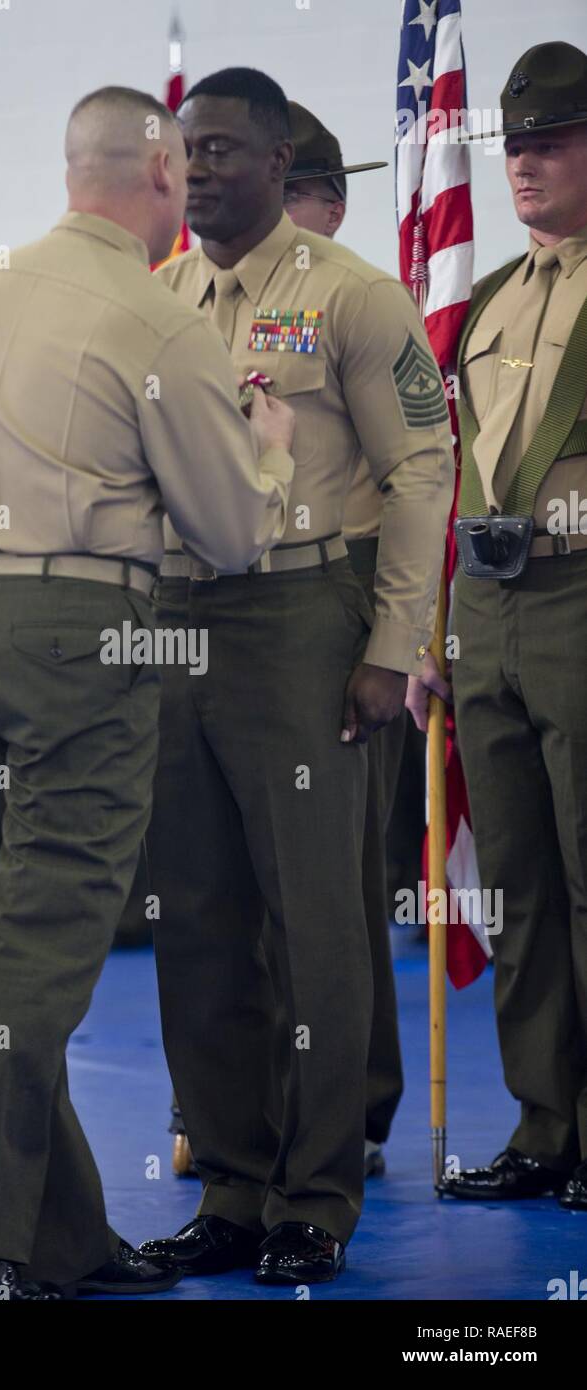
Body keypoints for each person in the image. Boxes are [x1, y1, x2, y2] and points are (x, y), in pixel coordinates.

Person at [0, 85, 296, 1302]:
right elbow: (227, 533)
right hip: (74, 635)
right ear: (162, 177)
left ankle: (58, 1234)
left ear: (73, 171)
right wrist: (265, 447)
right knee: (52, 937)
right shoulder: (154, 318)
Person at [138, 68, 454, 1285]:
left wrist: (391, 649)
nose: (199, 169)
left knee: (315, 922)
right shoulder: (156, 297)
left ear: (280, 165)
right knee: (197, 918)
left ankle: (313, 1198)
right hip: (178, 615)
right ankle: (227, 1182)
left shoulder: (354, 297)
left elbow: (420, 475)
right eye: (185, 152)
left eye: (221, 149)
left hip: (307, 615)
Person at [410, 41, 587, 1212]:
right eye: (513, 147)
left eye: (550, 143)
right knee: (517, 877)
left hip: (579, 593)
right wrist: (428, 634)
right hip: (485, 600)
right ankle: (543, 1124)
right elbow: (451, 470)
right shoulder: (483, 306)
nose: (523, 164)